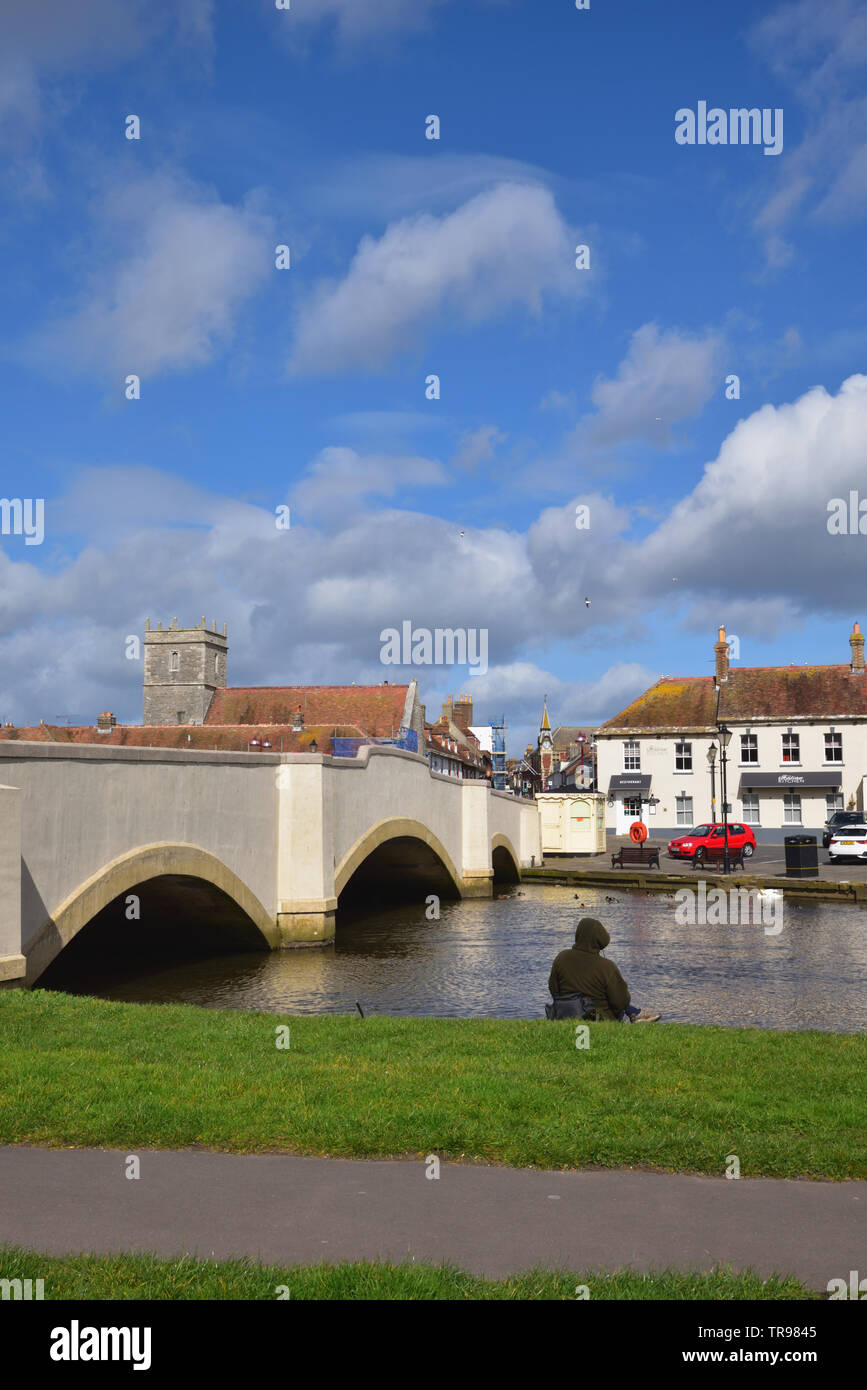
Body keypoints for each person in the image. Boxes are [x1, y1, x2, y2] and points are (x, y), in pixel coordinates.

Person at [546, 917, 660, 1022]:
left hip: (565, 1014)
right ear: (601, 941)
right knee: (622, 1006)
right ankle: (636, 1014)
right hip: (599, 1018)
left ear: (578, 934)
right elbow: (621, 1002)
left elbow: (553, 989)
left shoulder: (561, 958)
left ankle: (636, 1013)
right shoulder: (607, 967)